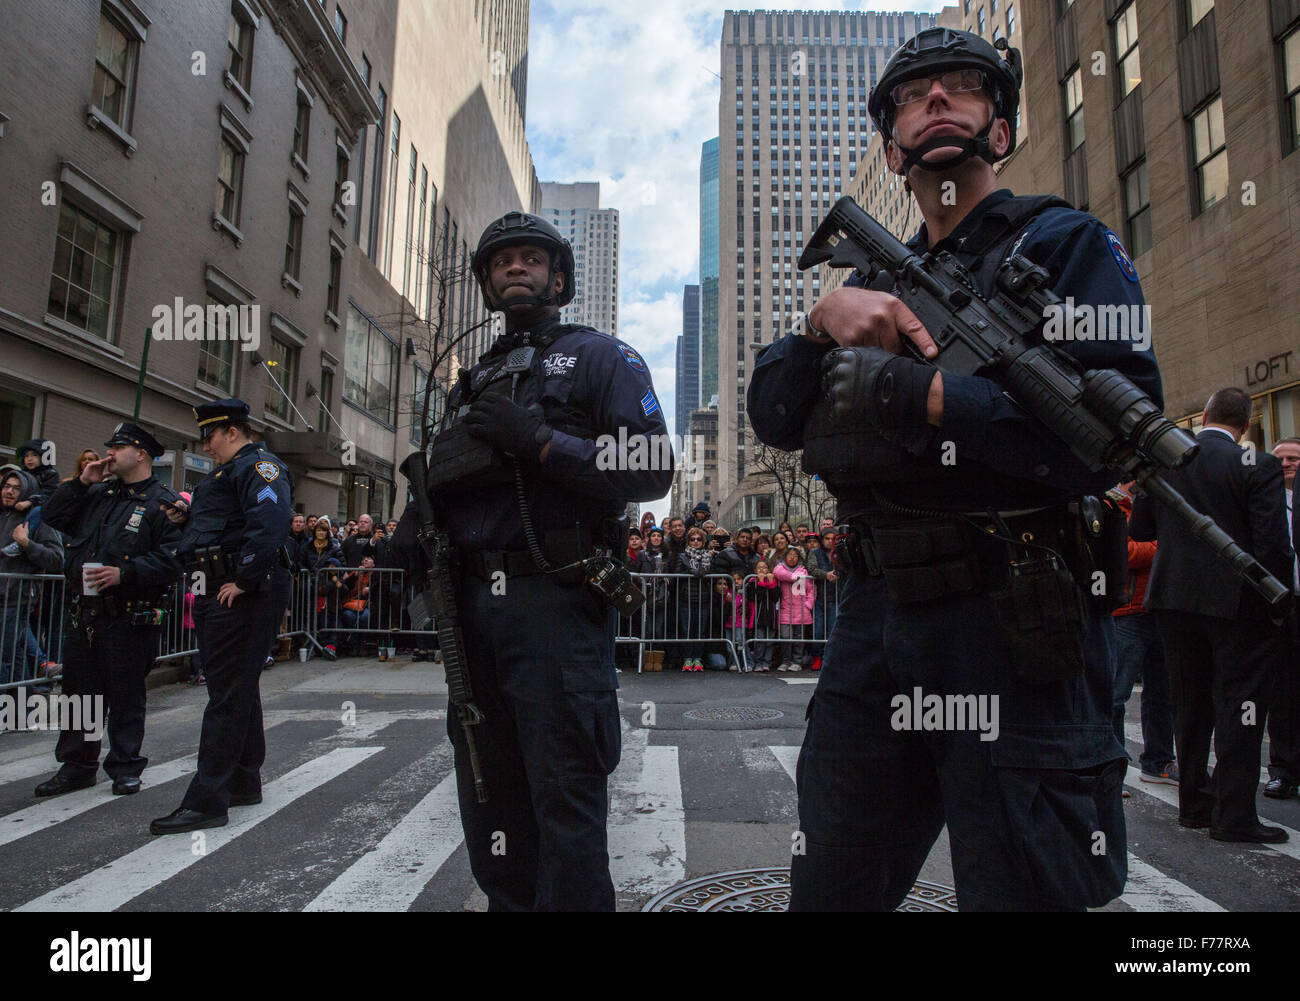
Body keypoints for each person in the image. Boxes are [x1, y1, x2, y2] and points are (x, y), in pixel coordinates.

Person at [749, 26, 1161, 910]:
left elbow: (1111, 432)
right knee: (831, 884)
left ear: (1000, 130)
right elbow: (772, 415)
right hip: (877, 617)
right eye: (912, 94)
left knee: (1025, 886)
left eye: (962, 86)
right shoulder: (873, 282)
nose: (935, 99)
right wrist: (821, 322)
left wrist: (926, 394)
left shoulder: (1068, 243)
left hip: (1016, 617)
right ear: (892, 150)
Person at [395, 210, 672, 911]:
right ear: (487, 282)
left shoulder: (602, 357)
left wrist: (541, 442)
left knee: (564, 795)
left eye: (531, 258)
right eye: (501, 261)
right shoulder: (469, 382)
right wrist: (415, 522)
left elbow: (652, 466)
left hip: (555, 601)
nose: (515, 267)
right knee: (488, 793)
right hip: (470, 612)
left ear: (559, 278)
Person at [1132, 389, 1293, 842]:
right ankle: (1233, 815)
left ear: (1204, 416)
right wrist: (1278, 607)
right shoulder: (1258, 466)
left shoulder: (1164, 460)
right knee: (1240, 706)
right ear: (1245, 423)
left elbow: (1140, 528)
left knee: (1189, 702)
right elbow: (1273, 546)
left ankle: (1194, 805)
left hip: (1174, 600)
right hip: (1237, 604)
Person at [149, 399, 294, 835]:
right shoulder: (229, 472)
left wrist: (245, 579)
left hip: (243, 592)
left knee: (226, 696)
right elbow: (224, 528)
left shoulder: (260, 466)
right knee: (236, 688)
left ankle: (207, 800)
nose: (206, 446)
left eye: (210, 436)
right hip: (222, 586)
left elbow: (270, 523)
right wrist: (186, 519)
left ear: (232, 431)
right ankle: (243, 781)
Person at [34, 423, 182, 797]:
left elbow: (174, 559)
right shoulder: (98, 493)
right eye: (110, 447)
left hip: (129, 615)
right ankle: (77, 765)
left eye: (119, 447)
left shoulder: (162, 503)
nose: (110, 453)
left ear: (141, 454)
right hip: (84, 613)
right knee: (80, 693)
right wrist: (80, 483)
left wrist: (125, 573)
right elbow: (52, 517)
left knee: (126, 695)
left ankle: (125, 766)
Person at [1108, 478, 1176, 787]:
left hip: (1161, 609)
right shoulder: (1112, 505)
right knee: (1115, 696)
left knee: (1162, 693)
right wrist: (1164, 547)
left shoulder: (1163, 504)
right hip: (1128, 612)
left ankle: (1158, 761)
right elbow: (1122, 553)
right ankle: (1112, 772)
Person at [0, 468, 64, 685]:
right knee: (16, 658)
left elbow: (57, 559)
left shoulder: (38, 519)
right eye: (6, 486)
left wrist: (27, 543)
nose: (9, 491)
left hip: (14, 600)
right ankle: (23, 703)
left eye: (16, 488)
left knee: (3, 660)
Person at [1265, 437, 1300, 799]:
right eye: (1280, 458)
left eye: (1293, 458)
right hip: (1281, 606)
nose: (1287, 463)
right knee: (1283, 692)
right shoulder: (1264, 499)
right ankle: (1283, 770)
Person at [674, 526, 716, 672]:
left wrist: (704, 565)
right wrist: (693, 571)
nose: (696, 542)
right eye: (693, 539)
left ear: (703, 541)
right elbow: (677, 573)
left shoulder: (709, 556)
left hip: (703, 598)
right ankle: (687, 658)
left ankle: (697, 658)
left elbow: (713, 572)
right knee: (686, 629)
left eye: (699, 539)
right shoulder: (682, 556)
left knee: (700, 630)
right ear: (688, 541)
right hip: (686, 598)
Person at [774, 546, 815, 672]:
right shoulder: (780, 568)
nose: (792, 558)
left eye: (795, 555)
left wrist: (808, 604)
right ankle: (785, 661)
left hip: (801, 610)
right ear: (785, 557)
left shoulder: (803, 571)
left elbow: (811, 589)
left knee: (799, 638)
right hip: (785, 608)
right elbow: (778, 573)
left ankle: (797, 661)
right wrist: (794, 577)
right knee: (785, 637)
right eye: (789, 555)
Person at [749, 560, 779, 672]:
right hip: (758, 616)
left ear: (769, 570)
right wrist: (761, 582)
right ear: (755, 570)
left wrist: (771, 583)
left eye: (764, 567)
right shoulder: (751, 581)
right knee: (760, 640)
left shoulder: (773, 581)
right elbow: (755, 597)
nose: (762, 570)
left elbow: (776, 597)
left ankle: (767, 661)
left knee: (770, 640)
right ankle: (758, 661)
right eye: (759, 567)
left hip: (771, 616)